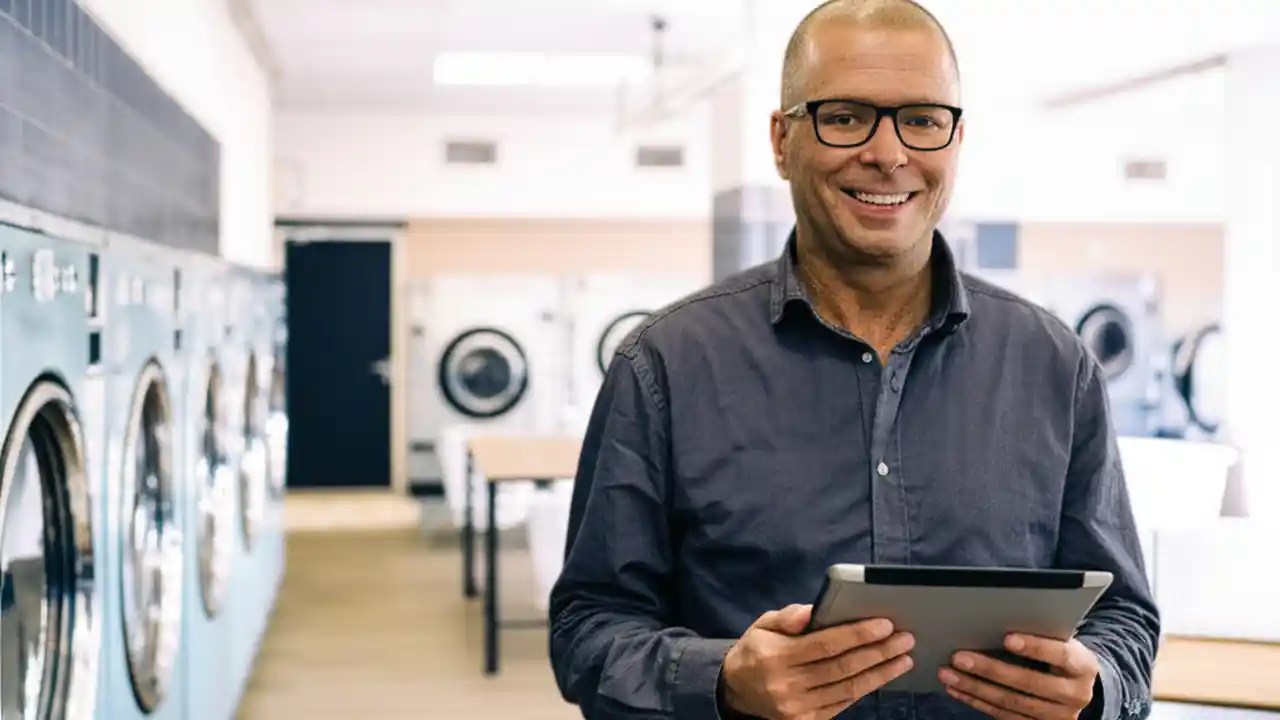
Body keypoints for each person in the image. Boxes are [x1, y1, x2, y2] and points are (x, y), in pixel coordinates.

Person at [548, 0, 1160, 718]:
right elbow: (588, 628)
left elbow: (1127, 622)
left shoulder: (1055, 367)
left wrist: (1095, 686)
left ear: (957, 139)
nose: (888, 153)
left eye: (923, 119)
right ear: (782, 141)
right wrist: (719, 679)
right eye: (845, 117)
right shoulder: (667, 366)